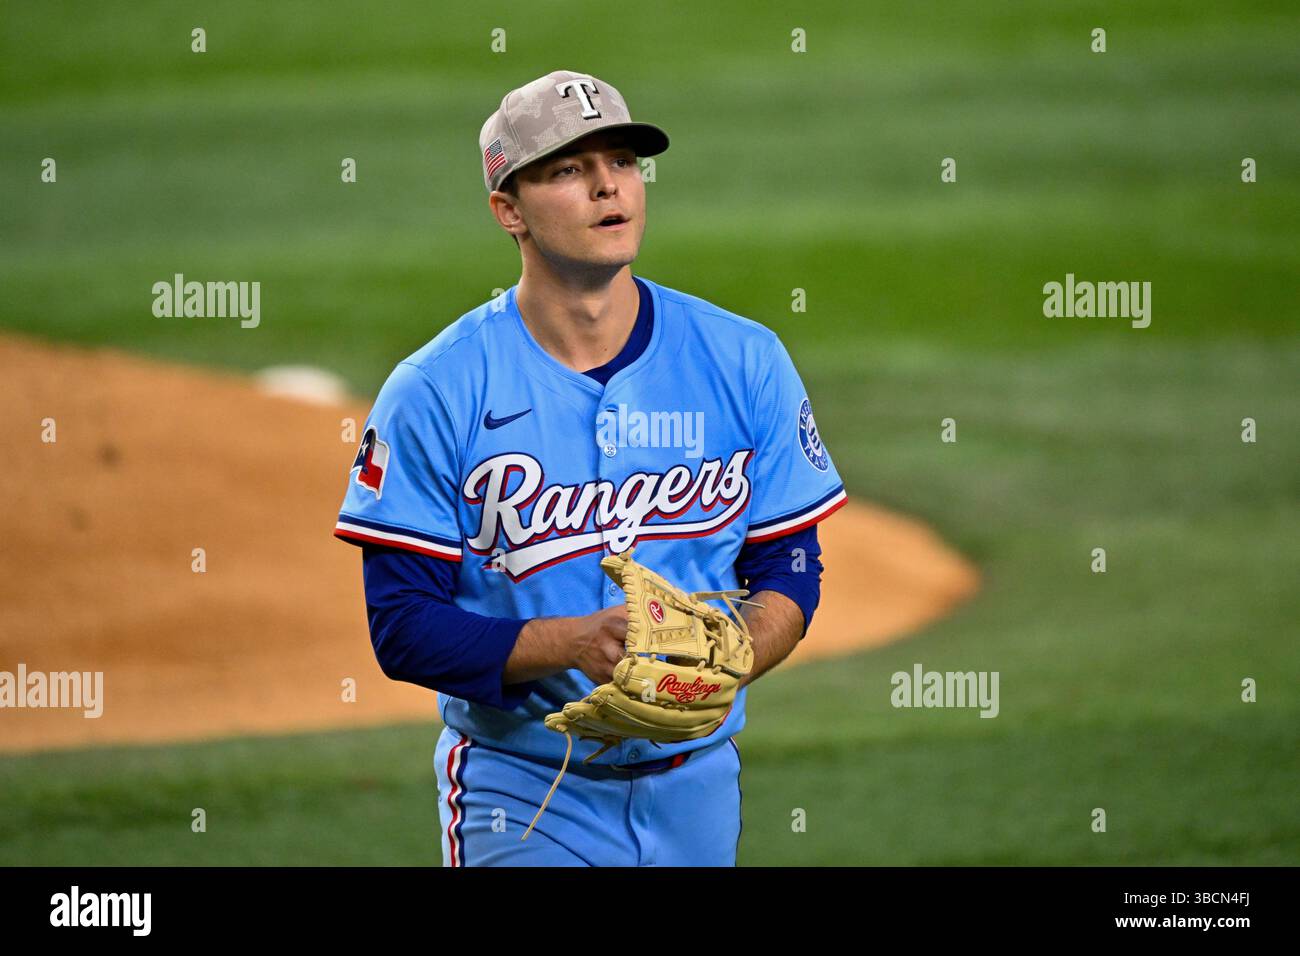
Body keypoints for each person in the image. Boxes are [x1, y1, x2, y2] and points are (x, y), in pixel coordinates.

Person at [334, 70, 845, 866]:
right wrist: (575, 642)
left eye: (623, 162)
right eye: (569, 169)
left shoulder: (744, 359)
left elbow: (791, 560)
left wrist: (733, 653)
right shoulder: (436, 389)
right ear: (509, 209)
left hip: (699, 790)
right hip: (523, 792)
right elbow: (403, 628)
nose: (609, 186)